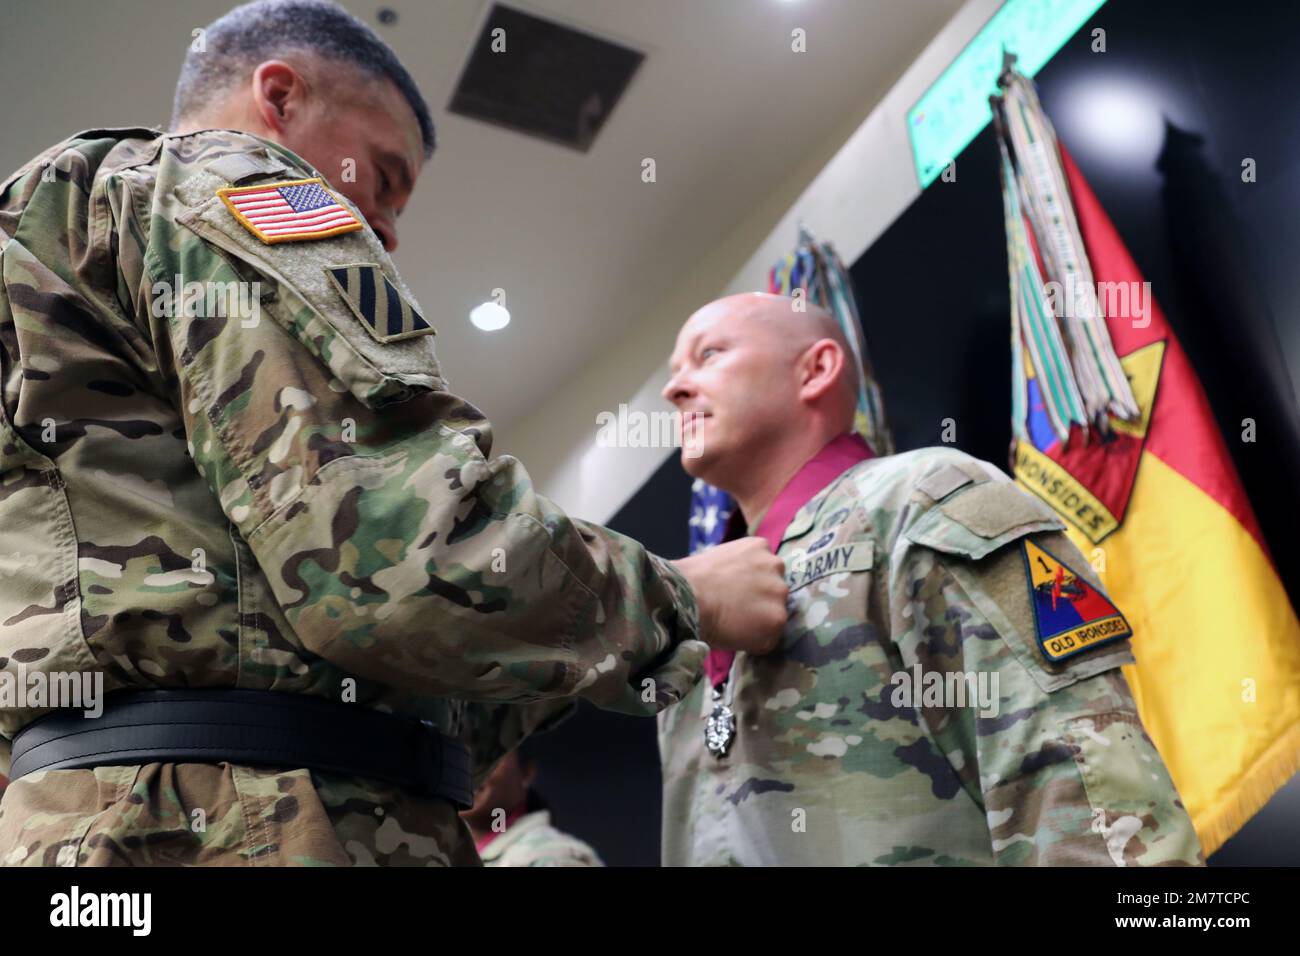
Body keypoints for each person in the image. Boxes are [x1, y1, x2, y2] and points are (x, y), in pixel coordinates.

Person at [0, 0, 787, 867]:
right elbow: (390, 560)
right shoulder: (237, 179)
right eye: (380, 174)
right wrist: (684, 595)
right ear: (280, 97)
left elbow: (366, 670)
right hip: (260, 820)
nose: (387, 228)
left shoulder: (58, 247)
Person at [656, 291, 1205, 866]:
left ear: (815, 369)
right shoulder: (688, 623)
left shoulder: (926, 500)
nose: (675, 389)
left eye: (708, 354)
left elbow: (1080, 778)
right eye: (674, 372)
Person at [460, 741, 602, 867]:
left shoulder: (554, 857)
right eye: (459, 753)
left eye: (488, 755)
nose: (467, 769)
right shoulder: (448, 852)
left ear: (526, 772)